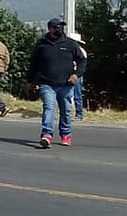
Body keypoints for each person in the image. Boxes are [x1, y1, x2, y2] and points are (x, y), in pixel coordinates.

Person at [26, 18, 85, 149]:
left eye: (61, 27)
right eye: (56, 27)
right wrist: (30, 81)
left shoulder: (70, 44)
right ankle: (47, 135)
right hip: (47, 83)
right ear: (50, 29)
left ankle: (66, 134)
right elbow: (34, 64)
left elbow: (81, 61)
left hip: (66, 84)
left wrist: (76, 75)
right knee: (49, 108)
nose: (59, 29)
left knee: (66, 110)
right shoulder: (41, 44)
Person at [69, 33, 87, 121]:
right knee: (66, 94)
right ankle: (67, 113)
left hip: (77, 74)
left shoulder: (81, 51)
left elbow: (82, 64)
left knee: (77, 95)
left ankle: (79, 114)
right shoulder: (69, 50)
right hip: (68, 74)